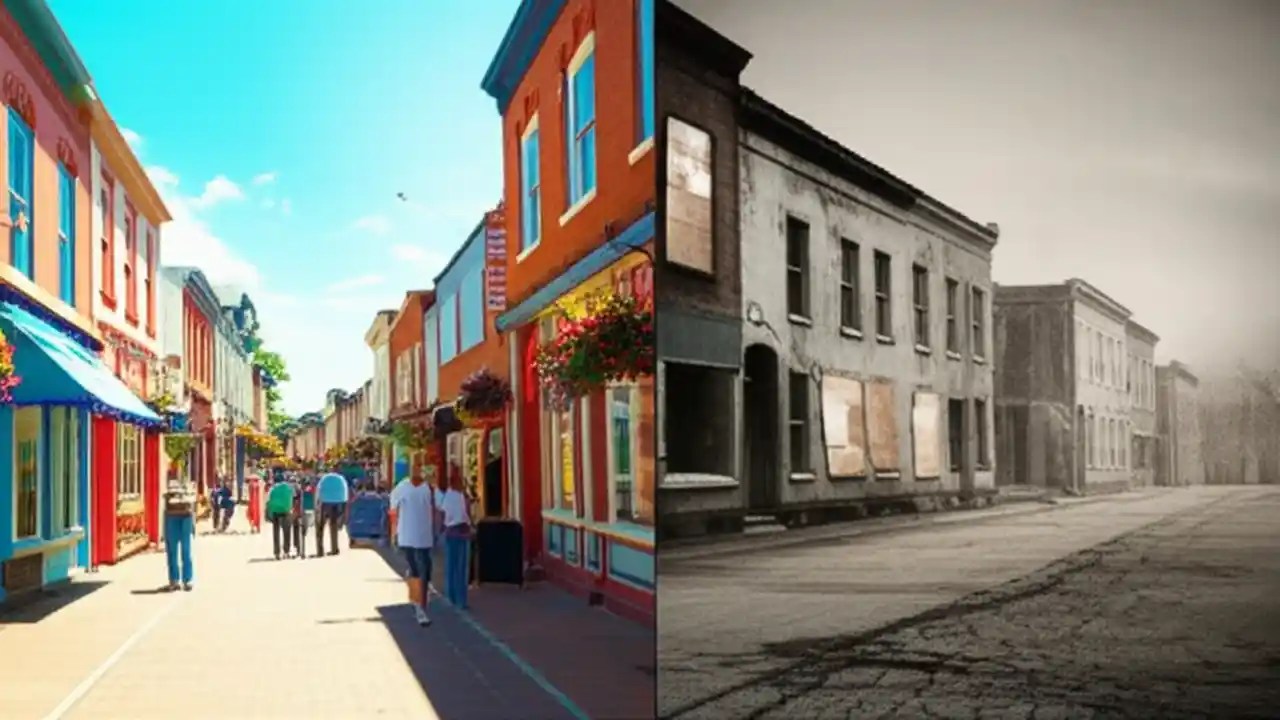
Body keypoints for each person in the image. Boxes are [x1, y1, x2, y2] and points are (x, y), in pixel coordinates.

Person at [390, 471, 438, 627]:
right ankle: (419, 608)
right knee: (415, 570)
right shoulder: (402, 488)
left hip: (424, 536)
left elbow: (434, 508)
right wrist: (394, 533)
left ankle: (423, 592)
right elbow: (393, 510)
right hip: (407, 536)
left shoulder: (427, 488)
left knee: (425, 565)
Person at [441, 467, 473, 611]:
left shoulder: (448, 495)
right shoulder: (459, 496)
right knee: (461, 567)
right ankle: (460, 599)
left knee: (452, 566)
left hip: (452, 532)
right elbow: (464, 514)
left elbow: (444, 514)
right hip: (461, 531)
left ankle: (452, 597)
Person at [162, 476, 196, 591]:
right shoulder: (172, 471)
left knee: (182, 549)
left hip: (182, 515)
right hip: (176, 515)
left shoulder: (185, 469)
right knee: (175, 550)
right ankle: (178, 580)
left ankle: (183, 579)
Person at [315, 468, 350, 556]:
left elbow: (318, 491)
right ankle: (334, 548)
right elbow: (346, 492)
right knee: (333, 526)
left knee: (320, 526)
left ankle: (320, 550)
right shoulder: (341, 479)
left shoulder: (324, 479)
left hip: (325, 503)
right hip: (339, 502)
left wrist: (317, 504)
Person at [265, 475, 296, 560]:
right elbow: (293, 497)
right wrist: (291, 508)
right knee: (287, 531)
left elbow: (267, 500)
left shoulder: (273, 488)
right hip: (286, 511)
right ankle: (286, 551)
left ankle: (277, 552)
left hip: (275, 511)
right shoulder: (289, 487)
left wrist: (268, 511)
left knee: (276, 532)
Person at [295, 479, 317, 559]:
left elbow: (298, 502)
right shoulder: (313, 490)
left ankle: (301, 552)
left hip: (303, 512)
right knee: (306, 532)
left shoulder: (301, 492)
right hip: (311, 512)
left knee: (302, 533)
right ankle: (305, 552)